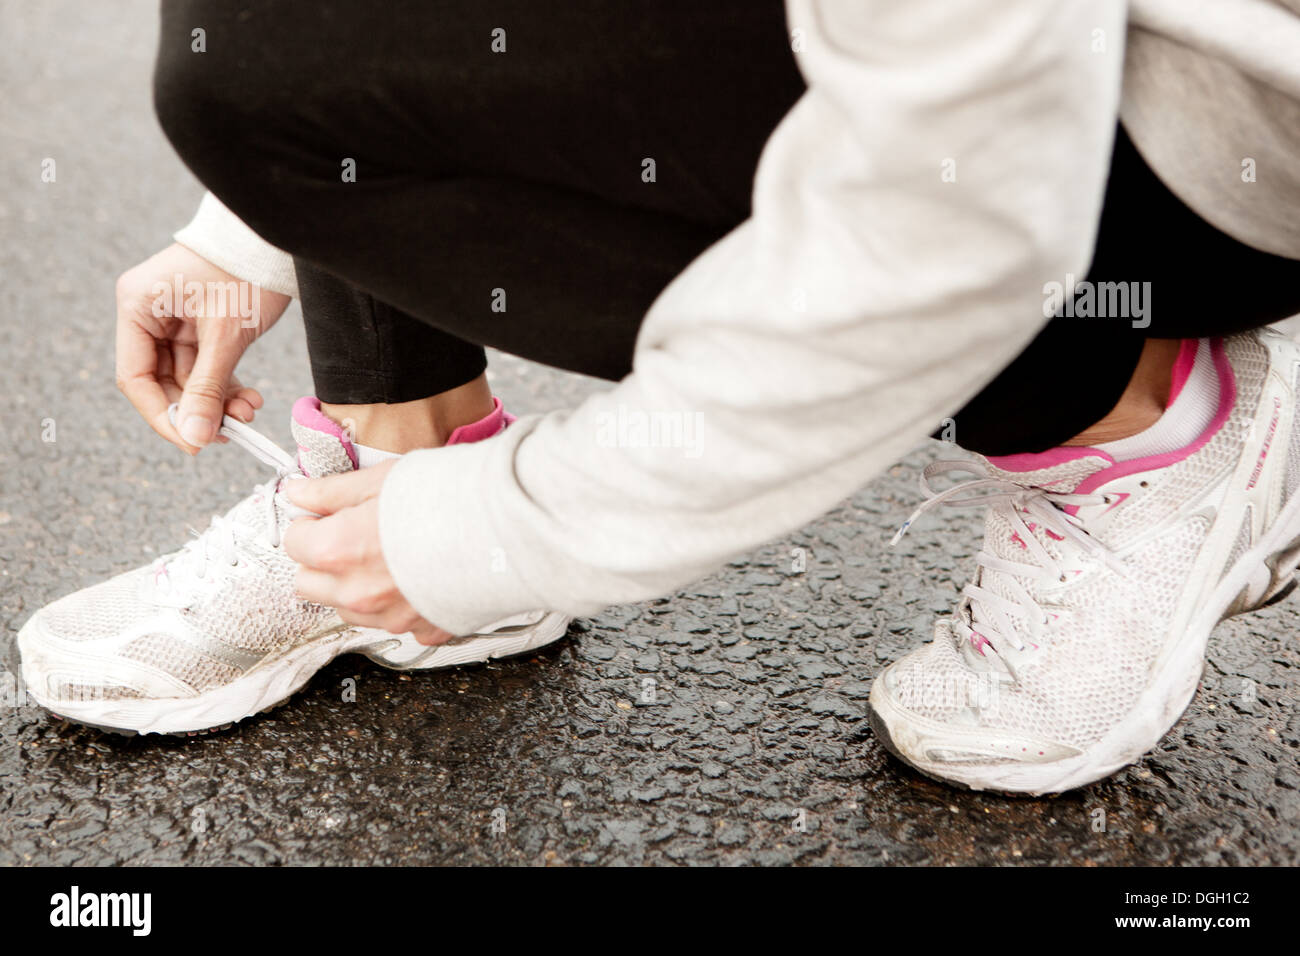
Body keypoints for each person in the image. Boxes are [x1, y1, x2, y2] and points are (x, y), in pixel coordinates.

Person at [16, 0, 1300, 794]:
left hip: (1195, 141)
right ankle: (386, 459)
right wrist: (252, 211)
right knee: (248, 59)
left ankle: (1137, 418)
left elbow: (943, 239)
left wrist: (492, 533)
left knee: (926, 207)